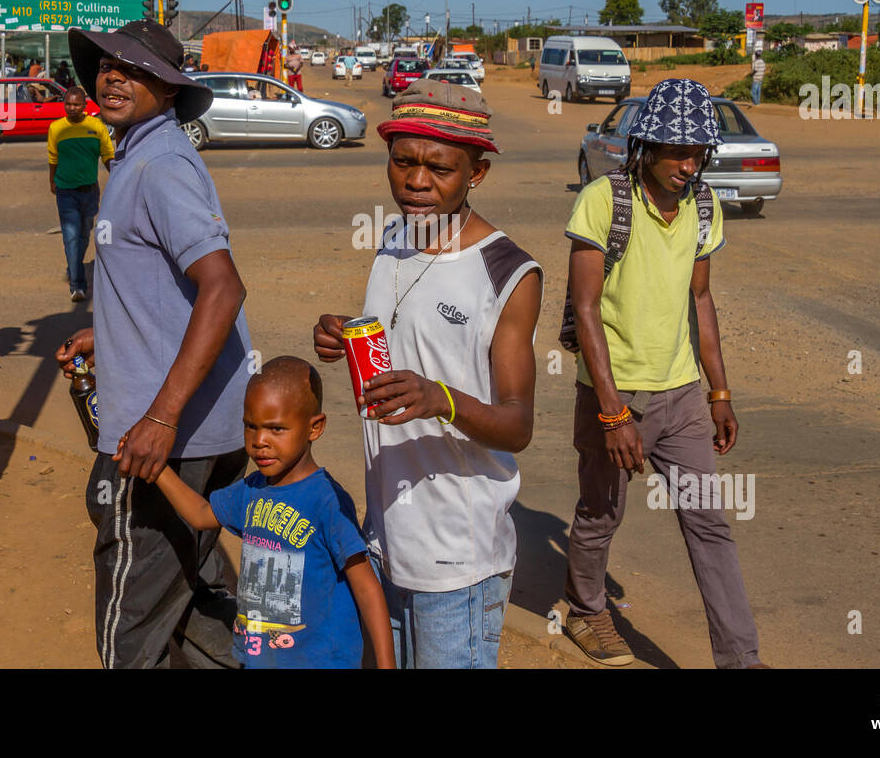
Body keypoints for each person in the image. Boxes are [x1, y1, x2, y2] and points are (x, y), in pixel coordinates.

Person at [313, 80, 542, 669]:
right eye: (402, 162)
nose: (416, 181)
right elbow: (404, 331)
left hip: (455, 556)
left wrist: (439, 397)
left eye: (439, 169)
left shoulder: (508, 274)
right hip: (385, 534)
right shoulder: (394, 238)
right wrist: (346, 331)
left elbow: (517, 426)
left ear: (477, 173)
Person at [55, 19, 253, 670]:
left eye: (135, 69)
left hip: (170, 434)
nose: (114, 76)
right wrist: (107, 333)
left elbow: (221, 289)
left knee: (129, 628)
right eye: (108, 65)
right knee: (194, 595)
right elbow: (165, 291)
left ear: (168, 90)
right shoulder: (138, 154)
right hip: (192, 426)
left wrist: (162, 415)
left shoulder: (161, 162)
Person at [561, 78, 765, 669]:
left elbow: (701, 300)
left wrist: (719, 392)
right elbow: (586, 307)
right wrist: (613, 411)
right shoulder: (604, 201)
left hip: (683, 400)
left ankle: (740, 659)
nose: (689, 163)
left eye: (699, 152)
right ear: (646, 146)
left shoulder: (704, 206)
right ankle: (586, 610)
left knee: (709, 525)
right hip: (613, 393)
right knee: (602, 513)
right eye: (678, 150)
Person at [138, 356, 395, 669]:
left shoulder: (327, 501)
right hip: (265, 659)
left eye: (276, 429)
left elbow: (367, 587)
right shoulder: (252, 489)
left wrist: (385, 664)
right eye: (251, 426)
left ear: (315, 427)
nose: (260, 441)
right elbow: (202, 513)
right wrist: (157, 468)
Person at [47, 86, 114, 302]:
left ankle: (74, 264)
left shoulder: (96, 126)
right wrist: (52, 182)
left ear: (85, 106)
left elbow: (107, 156)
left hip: (90, 191)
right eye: (68, 104)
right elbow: (52, 159)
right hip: (66, 191)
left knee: (84, 234)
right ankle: (78, 285)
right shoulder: (56, 128)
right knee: (71, 237)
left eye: (76, 104)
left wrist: (118, 179)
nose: (72, 108)